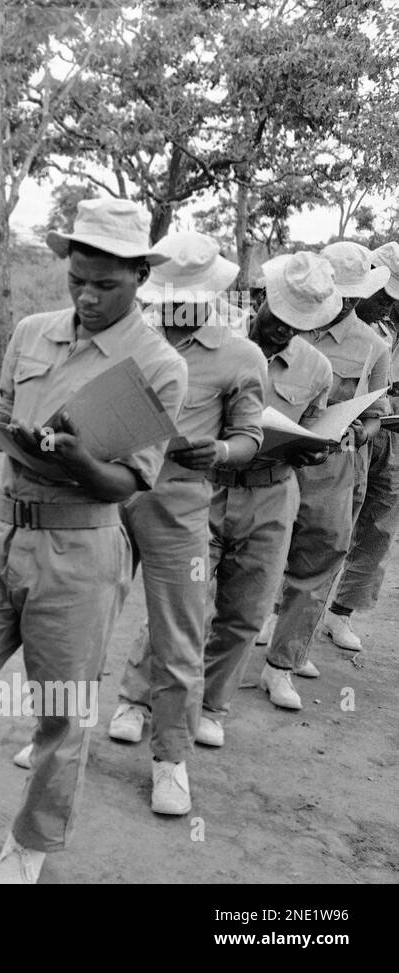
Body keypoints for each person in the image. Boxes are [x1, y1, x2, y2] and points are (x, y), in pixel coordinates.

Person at [0, 197, 186, 883]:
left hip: (80, 549)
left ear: (140, 278)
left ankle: (30, 841)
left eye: (106, 284)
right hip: (1, 535)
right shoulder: (33, 332)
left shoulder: (157, 366)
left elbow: (127, 483)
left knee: (61, 716)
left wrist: (77, 460)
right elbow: (2, 406)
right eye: (78, 279)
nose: (88, 296)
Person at [107, 231, 266, 815]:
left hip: (179, 502)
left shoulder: (240, 355)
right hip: (110, 497)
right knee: (80, 617)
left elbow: (251, 435)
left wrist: (221, 454)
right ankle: (56, 733)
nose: (173, 306)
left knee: (179, 632)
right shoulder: (128, 339)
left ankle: (170, 758)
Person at [201, 253, 336, 746]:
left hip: (272, 497)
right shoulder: (214, 342)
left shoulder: (317, 368)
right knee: (181, 601)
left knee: (246, 611)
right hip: (208, 487)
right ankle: (138, 697)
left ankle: (211, 706)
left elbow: (315, 428)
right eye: (277, 321)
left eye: (295, 328)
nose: (282, 334)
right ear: (259, 300)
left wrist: (315, 450)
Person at [261, 241, 390, 709]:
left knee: (318, 559)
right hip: (267, 460)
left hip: (331, 465)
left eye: (357, 296)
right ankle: (248, 635)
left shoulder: (373, 346)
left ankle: (283, 663)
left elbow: (377, 412)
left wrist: (358, 431)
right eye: (343, 293)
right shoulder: (282, 324)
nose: (350, 304)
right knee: (252, 551)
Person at [323, 241, 399, 650]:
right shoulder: (359, 324)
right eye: (386, 294)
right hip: (355, 436)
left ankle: (341, 613)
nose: (389, 304)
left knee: (378, 529)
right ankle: (293, 609)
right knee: (331, 523)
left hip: (392, 439)